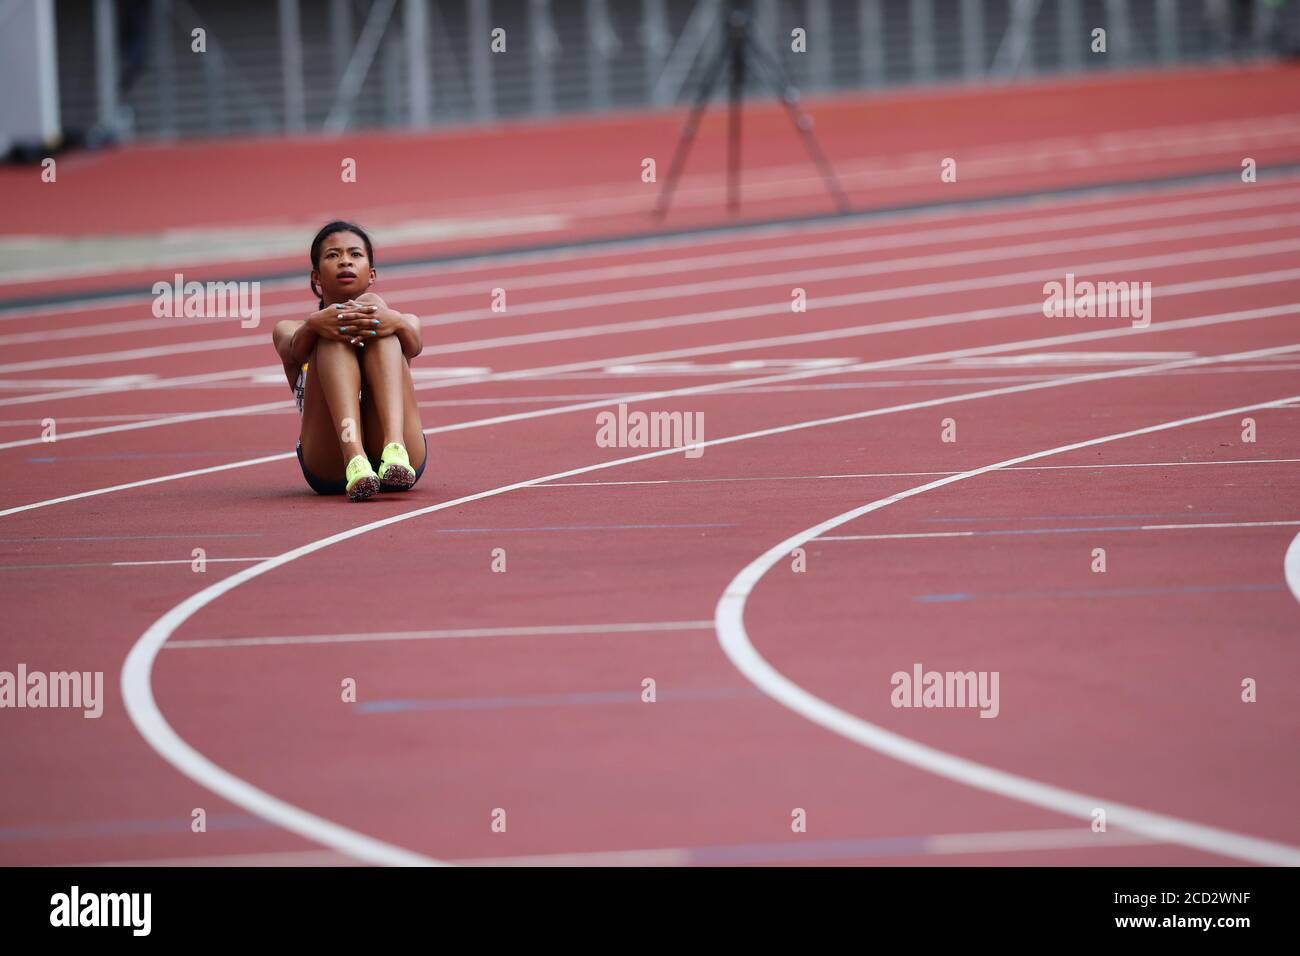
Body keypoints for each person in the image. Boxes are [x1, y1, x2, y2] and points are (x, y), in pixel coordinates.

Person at [271, 221, 428, 500]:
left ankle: (394, 446)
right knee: (331, 333)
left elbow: (414, 344)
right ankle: (355, 459)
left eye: (355, 254)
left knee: (382, 326)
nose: (345, 261)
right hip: (330, 461)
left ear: (372, 273)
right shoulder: (290, 328)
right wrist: (316, 324)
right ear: (316, 278)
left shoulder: (400, 321)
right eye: (333, 255)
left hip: (400, 457)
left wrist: (392, 321)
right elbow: (293, 349)